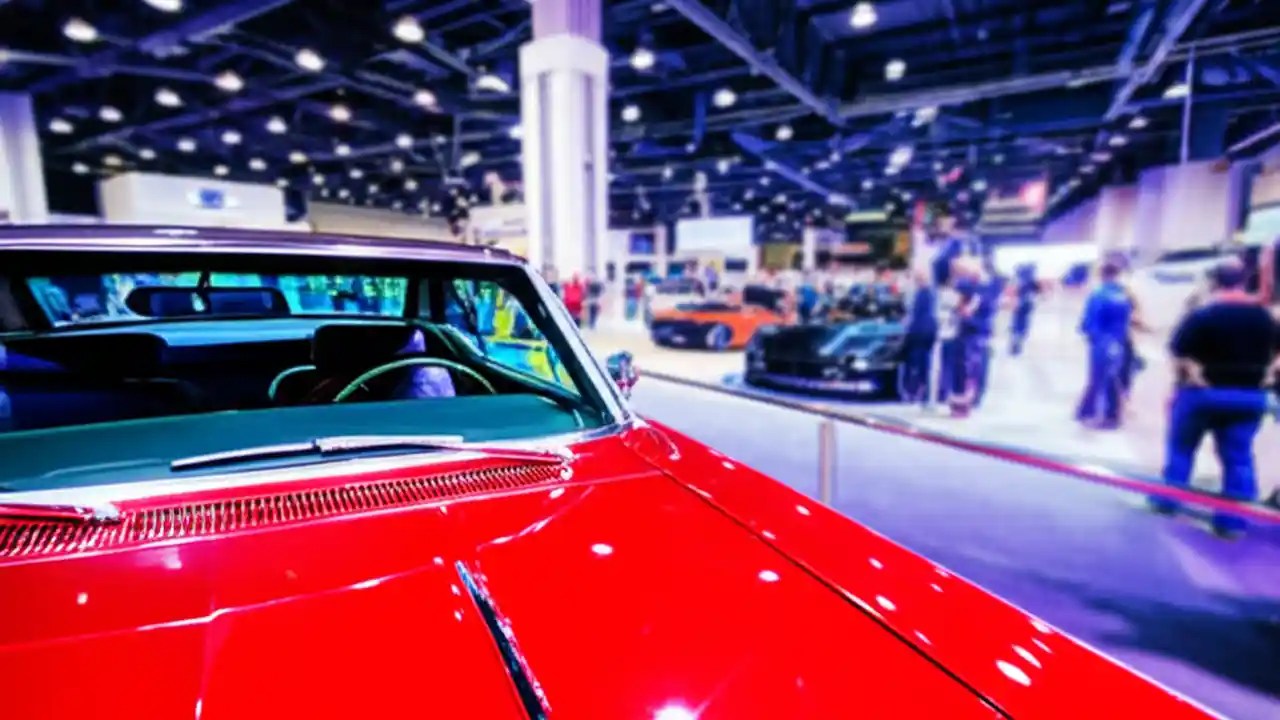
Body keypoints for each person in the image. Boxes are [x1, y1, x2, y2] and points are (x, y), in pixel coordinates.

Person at [1150, 257, 1279, 538]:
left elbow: (1178, 353)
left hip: (1203, 394)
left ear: (1214, 282)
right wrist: (1268, 373)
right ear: (1244, 282)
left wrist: (1193, 379)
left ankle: (1167, 503)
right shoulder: (1264, 317)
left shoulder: (1203, 314)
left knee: (1182, 450)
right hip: (1249, 396)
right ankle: (1232, 523)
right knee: (1239, 459)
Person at [1075, 261, 1133, 429]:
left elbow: (1090, 322)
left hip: (1102, 342)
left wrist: (1091, 336)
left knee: (1099, 378)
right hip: (1118, 341)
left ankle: (1095, 414)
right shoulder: (1122, 294)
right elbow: (1126, 320)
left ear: (1102, 275)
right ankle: (1101, 413)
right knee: (1112, 378)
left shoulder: (1099, 294)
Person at [901, 269, 938, 406]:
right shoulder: (932, 294)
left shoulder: (920, 294)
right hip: (928, 332)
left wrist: (908, 327)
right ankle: (923, 391)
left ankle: (913, 391)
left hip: (918, 333)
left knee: (914, 362)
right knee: (924, 363)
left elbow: (915, 314)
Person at [1009, 264, 1038, 356]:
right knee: (1021, 325)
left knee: (1018, 325)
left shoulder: (1019, 280)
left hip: (1021, 304)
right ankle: (1017, 344)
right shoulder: (1030, 281)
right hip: (1025, 304)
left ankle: (1016, 343)